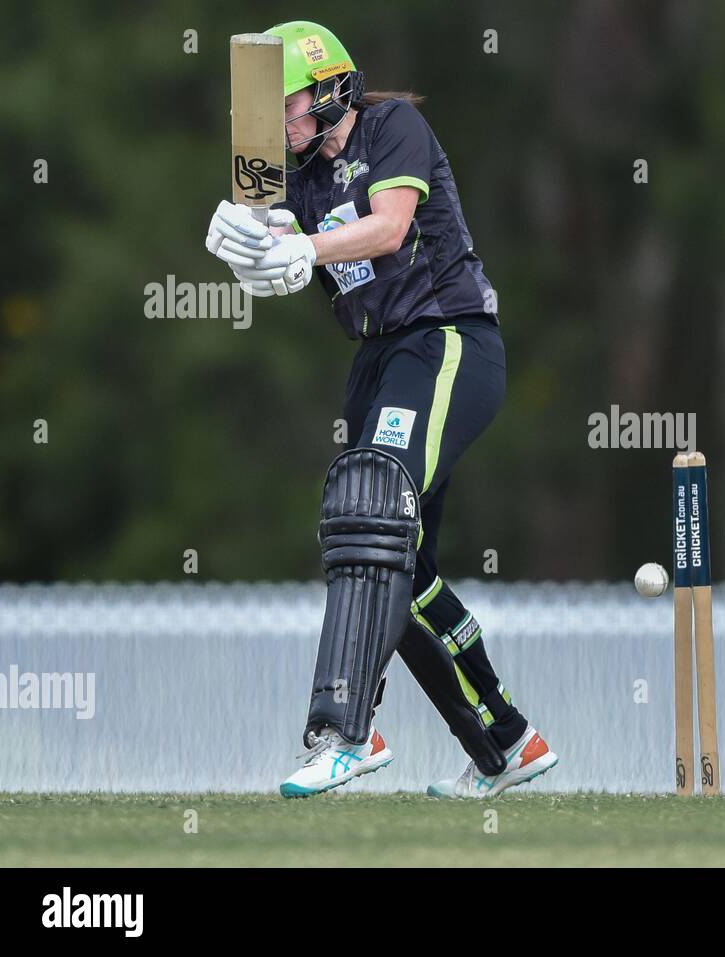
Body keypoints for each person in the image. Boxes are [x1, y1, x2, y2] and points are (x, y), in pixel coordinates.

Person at [205, 20, 556, 799]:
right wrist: (243, 249)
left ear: (332, 92)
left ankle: (346, 729)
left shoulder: (393, 125)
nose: (276, 124)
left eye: (287, 104)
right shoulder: (293, 175)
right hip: (377, 359)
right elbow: (275, 265)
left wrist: (303, 250)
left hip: (447, 339)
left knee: (371, 510)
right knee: (401, 558)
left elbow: (391, 227)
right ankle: (506, 739)